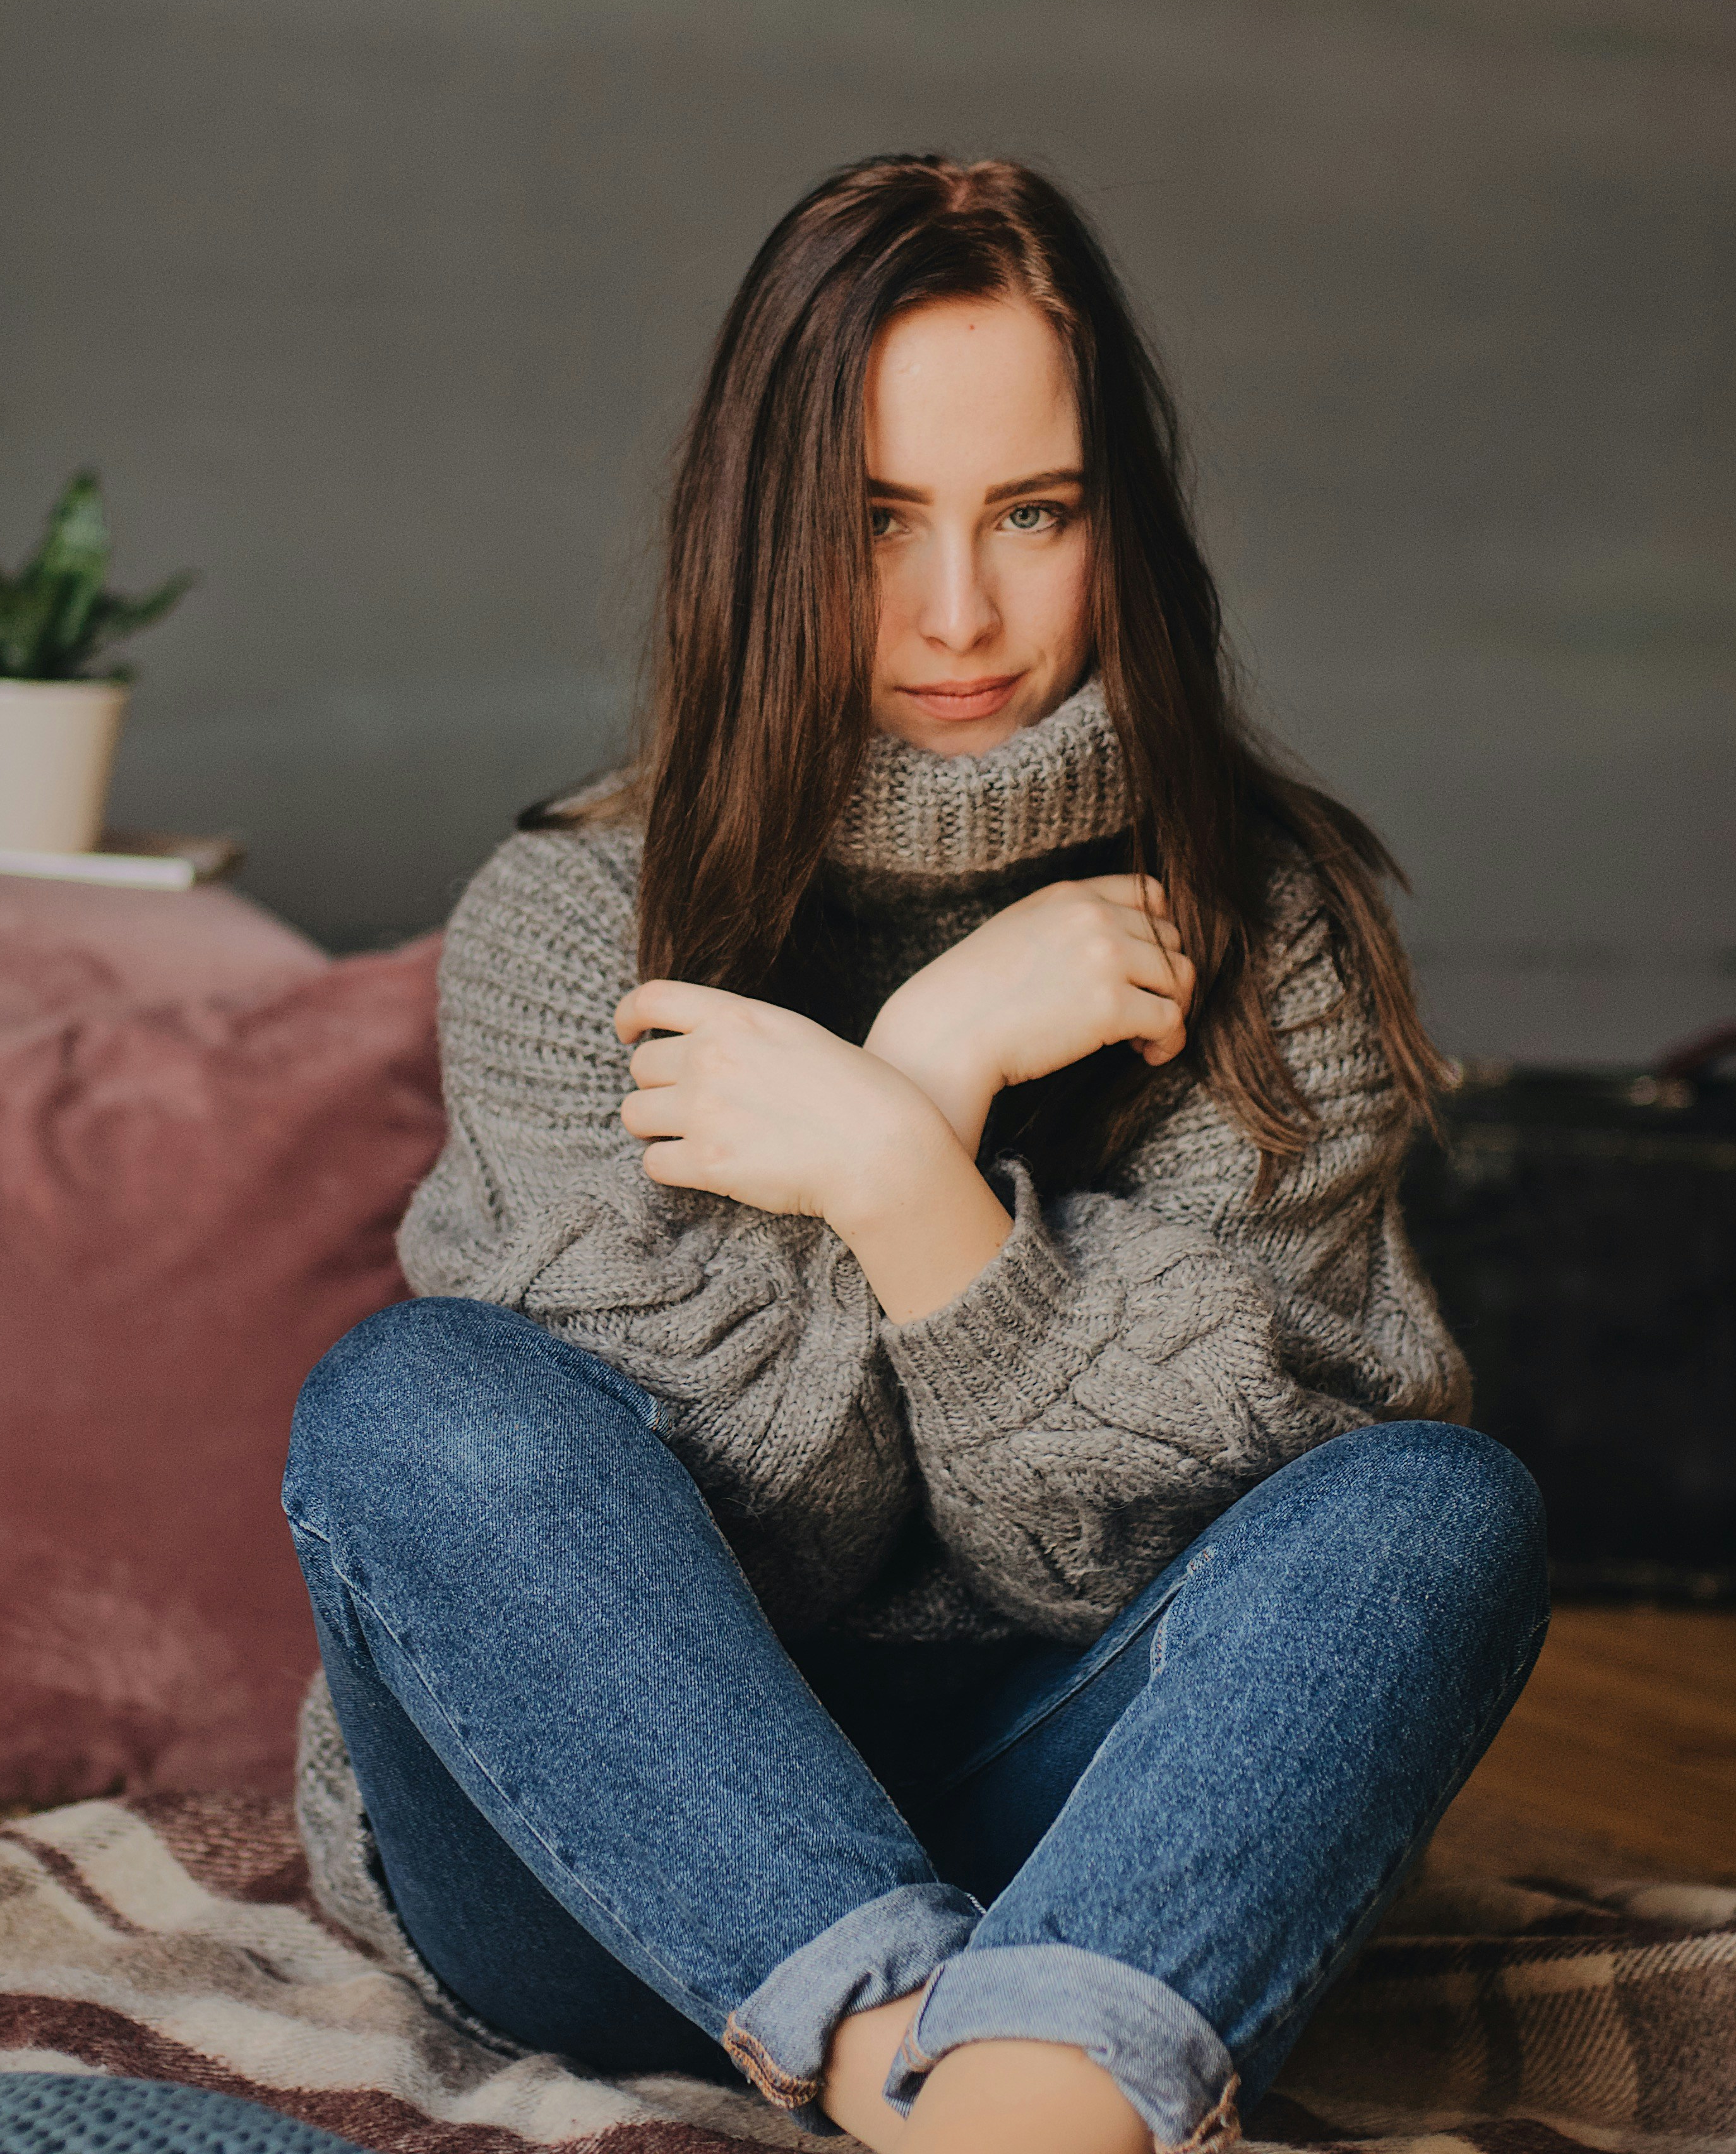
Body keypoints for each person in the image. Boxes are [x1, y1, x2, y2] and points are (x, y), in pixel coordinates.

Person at [285, 155, 1547, 2154]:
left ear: (1116, 524)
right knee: (414, 1406)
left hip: (1070, 1826)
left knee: (1432, 1510)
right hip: (594, 1857)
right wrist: (928, 1070)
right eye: (878, 525)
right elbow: (721, 1530)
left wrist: (901, 1176)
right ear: (765, 539)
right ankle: (944, 2090)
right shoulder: (568, 916)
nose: (959, 614)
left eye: (1032, 514)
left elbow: (1156, 1551)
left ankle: (1018, 2080)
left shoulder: (1255, 921)